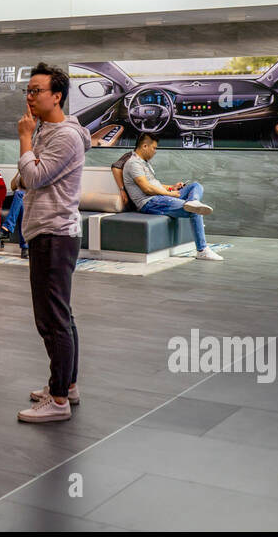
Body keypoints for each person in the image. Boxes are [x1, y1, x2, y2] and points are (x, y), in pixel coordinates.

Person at [16, 62, 91, 423]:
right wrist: (29, 162)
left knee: (52, 320)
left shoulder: (63, 136)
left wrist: (25, 139)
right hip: (49, 232)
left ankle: (58, 399)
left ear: (56, 96)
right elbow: (26, 176)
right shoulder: (49, 130)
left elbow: (33, 177)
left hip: (54, 234)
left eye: (36, 91)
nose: (29, 97)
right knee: (60, 315)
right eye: (28, 91)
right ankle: (67, 385)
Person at [112, 133, 222, 261]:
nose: (155, 151)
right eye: (154, 148)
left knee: (196, 186)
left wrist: (172, 187)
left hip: (159, 197)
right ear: (145, 146)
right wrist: (169, 194)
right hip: (149, 202)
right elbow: (147, 188)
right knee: (195, 210)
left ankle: (193, 201)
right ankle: (202, 250)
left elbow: (155, 184)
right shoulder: (133, 163)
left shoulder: (144, 163)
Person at [0, 172, 28, 259]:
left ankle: (7, 227)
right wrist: (19, 172)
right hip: (20, 202)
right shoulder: (21, 171)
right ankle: (25, 248)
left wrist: (23, 170)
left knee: (19, 194)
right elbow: (13, 186)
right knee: (21, 208)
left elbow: (25, 185)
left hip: (30, 199)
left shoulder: (31, 169)